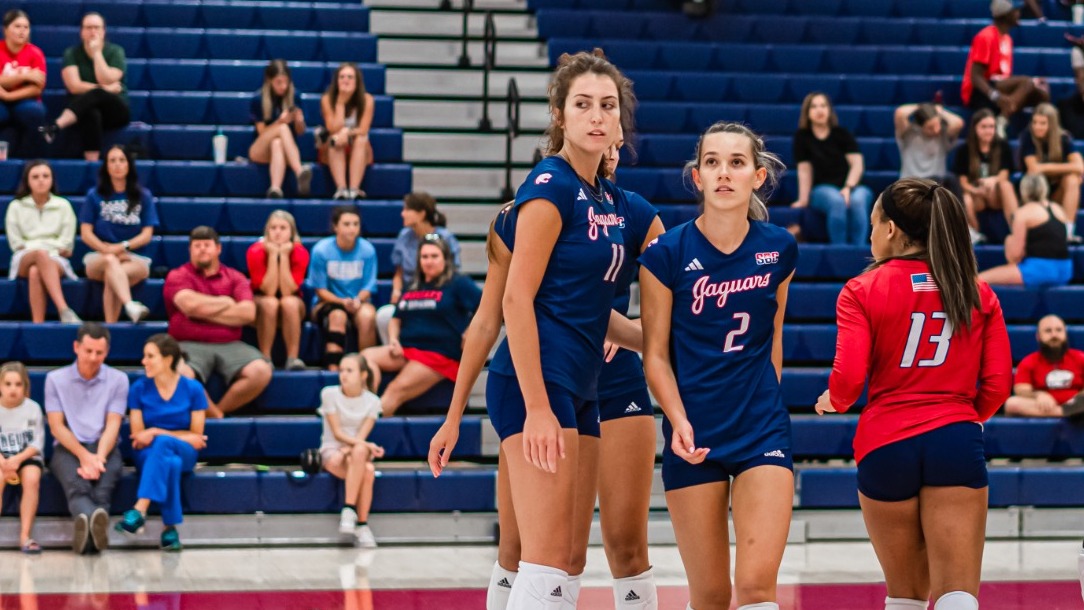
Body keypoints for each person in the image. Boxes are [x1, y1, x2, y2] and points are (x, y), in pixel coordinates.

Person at [479, 49, 633, 609]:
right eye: (583, 104)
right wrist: (539, 405)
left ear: (619, 121)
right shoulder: (549, 185)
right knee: (541, 562)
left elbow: (589, 309)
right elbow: (516, 299)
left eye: (608, 106)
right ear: (561, 115)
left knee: (568, 560)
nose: (597, 115)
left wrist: (661, 341)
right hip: (535, 384)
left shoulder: (605, 196)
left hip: (580, 385)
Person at [815, 178, 1013, 610]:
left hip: (885, 442)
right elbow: (998, 384)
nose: (869, 235)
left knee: (904, 595)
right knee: (957, 594)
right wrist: (962, 418)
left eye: (872, 224)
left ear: (890, 230)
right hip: (954, 438)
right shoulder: (976, 291)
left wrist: (834, 400)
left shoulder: (861, 289)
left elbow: (847, 382)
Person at [640, 122, 796, 610]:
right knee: (709, 595)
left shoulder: (779, 249)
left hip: (760, 428)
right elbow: (656, 355)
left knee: (754, 588)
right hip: (694, 432)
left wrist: (764, 404)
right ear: (697, 177)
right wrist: (678, 420)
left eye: (736, 162)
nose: (723, 173)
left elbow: (774, 341)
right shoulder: (665, 255)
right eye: (712, 162)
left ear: (757, 176)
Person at [361, 235, 480, 416]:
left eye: (434, 256)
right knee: (364, 358)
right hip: (407, 349)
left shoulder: (458, 283)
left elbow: (486, 306)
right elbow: (396, 318)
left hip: (439, 355)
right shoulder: (413, 285)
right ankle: (365, 407)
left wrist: (470, 331)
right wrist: (393, 340)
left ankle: (366, 436)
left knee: (395, 389)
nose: (429, 261)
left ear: (445, 259)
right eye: (424, 257)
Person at [164, 226, 272, 418]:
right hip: (187, 344)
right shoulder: (178, 275)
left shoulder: (235, 277)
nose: (202, 249)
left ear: (218, 249)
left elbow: (247, 313)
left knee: (261, 371)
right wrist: (226, 302)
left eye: (207, 245)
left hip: (230, 344)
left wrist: (200, 311)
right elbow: (189, 305)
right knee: (179, 373)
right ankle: (213, 413)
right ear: (190, 250)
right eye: (197, 246)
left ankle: (217, 412)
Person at [115, 334, 207, 551]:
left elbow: (197, 437)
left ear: (167, 359)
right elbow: (138, 436)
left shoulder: (193, 389)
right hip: (147, 452)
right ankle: (170, 530)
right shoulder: (139, 388)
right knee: (170, 463)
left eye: (150, 356)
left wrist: (156, 431)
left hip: (185, 452)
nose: (143, 361)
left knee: (165, 444)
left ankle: (140, 509)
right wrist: (172, 435)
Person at [44, 323, 128, 554]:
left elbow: (113, 423)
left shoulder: (119, 379)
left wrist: (98, 458)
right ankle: (93, 526)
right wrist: (84, 456)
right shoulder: (55, 379)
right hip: (68, 446)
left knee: (102, 491)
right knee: (78, 488)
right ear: (76, 347)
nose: (93, 357)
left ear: (107, 352)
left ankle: (88, 532)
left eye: (99, 353)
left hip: (105, 447)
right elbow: (56, 426)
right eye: (88, 351)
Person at [79, 144, 156, 323]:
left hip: (134, 258)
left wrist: (122, 247)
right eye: (112, 160)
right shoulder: (94, 195)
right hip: (99, 255)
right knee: (110, 262)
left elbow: (147, 234)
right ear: (106, 166)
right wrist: (109, 251)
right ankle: (130, 304)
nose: (117, 164)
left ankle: (110, 327)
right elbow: (85, 233)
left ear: (129, 164)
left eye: (122, 160)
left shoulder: (143, 196)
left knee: (112, 273)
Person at [39, 13, 130, 161]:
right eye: (88, 28)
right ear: (81, 32)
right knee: (92, 112)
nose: (93, 32)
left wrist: (97, 54)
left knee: (98, 95)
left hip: (116, 110)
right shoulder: (72, 53)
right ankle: (92, 163)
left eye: (97, 28)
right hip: (82, 110)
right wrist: (105, 89)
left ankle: (55, 126)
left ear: (104, 31)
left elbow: (105, 78)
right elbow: (74, 86)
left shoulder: (116, 51)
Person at [375, 192, 461, 346]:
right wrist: (396, 291)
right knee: (384, 315)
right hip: (409, 296)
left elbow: (452, 274)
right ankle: (395, 351)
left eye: (407, 209)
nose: (402, 213)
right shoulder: (404, 236)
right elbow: (399, 273)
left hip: (436, 295)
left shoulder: (445, 238)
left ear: (421, 214)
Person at [318, 352, 384, 548]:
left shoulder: (373, 401)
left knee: (362, 456)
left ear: (364, 375)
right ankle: (362, 525)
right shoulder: (329, 394)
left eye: (349, 370)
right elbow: (337, 433)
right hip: (332, 451)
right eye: (341, 370)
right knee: (368, 469)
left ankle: (349, 512)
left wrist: (348, 451)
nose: (343, 375)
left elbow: (360, 439)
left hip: (354, 452)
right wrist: (359, 447)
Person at [790, 91, 874, 245]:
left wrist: (848, 188)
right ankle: (839, 250)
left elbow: (857, 164)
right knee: (836, 201)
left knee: (858, 200)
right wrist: (803, 199)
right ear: (807, 113)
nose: (819, 110)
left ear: (829, 110)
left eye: (823, 106)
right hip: (822, 189)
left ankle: (859, 252)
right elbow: (804, 171)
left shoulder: (842, 134)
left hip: (853, 186)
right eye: (814, 107)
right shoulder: (802, 137)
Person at [5, 159, 81, 324]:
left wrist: (45, 249)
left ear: (52, 179)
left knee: (35, 271)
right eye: (36, 176)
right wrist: (44, 248)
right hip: (24, 257)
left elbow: (66, 245)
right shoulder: (16, 206)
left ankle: (37, 324)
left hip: (55, 259)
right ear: (27, 181)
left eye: (45, 176)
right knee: (39, 255)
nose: (41, 180)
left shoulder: (64, 206)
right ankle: (63, 309)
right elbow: (16, 244)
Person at [961, 0, 1049, 139]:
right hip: (980, 91)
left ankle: (1013, 122)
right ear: (1006, 14)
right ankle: (1001, 121)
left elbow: (1003, 76)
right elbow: (976, 77)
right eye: (1016, 11)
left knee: (1042, 94)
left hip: (998, 87)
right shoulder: (986, 36)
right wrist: (995, 96)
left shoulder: (1007, 38)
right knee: (1026, 82)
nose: (1019, 14)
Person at [307, 205, 379, 369]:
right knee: (338, 316)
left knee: (368, 315)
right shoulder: (321, 250)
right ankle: (334, 369)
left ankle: (364, 369)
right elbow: (320, 289)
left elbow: (369, 285)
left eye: (356, 224)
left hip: (358, 301)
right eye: (346, 224)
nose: (352, 229)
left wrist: (357, 301)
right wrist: (341, 302)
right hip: (327, 302)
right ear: (335, 226)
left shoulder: (368, 250)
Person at [978, 174, 1072, 287]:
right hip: (1065, 270)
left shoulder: (1023, 213)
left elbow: (1015, 256)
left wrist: (1009, 241)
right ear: (1045, 189)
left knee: (976, 281)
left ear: (1023, 192)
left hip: (1039, 271)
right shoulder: (1059, 209)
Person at [246, 210, 310, 370]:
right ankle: (266, 358)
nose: (277, 232)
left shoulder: (300, 252)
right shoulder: (255, 251)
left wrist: (285, 256)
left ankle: (293, 358)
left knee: (289, 302)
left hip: (292, 304)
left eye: (283, 228)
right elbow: (269, 290)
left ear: (292, 232)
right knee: (270, 303)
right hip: (261, 303)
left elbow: (288, 291)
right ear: (267, 231)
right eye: (273, 228)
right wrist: (274, 255)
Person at [952, 108, 1018, 243]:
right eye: (984, 127)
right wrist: (976, 190)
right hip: (976, 194)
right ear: (975, 128)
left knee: (1005, 185)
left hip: (995, 193)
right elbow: (963, 182)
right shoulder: (964, 150)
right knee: (966, 198)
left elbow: (1004, 174)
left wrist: (992, 181)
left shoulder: (1003, 146)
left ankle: (1017, 229)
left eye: (991, 127)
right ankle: (975, 235)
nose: (988, 131)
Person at [249, 59, 312, 199]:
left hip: (285, 151)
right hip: (259, 149)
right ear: (269, 80)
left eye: (286, 82)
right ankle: (299, 171)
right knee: (282, 128)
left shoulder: (295, 96)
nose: (283, 86)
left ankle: (275, 188)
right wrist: (280, 122)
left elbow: (301, 132)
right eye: (279, 82)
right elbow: (262, 133)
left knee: (277, 143)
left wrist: (299, 122)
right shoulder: (258, 99)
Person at [0, 361, 45, 554]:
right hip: (2, 457)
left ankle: (25, 536)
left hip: (26, 456)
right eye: (8, 384)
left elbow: (36, 443)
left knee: (32, 478)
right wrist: (3, 462)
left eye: (18, 384)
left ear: (25, 387)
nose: (13, 389)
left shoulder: (33, 408)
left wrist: (17, 460)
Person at [1020, 103, 1083, 241]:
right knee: (1071, 174)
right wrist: (1065, 167)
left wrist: (1044, 167)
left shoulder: (1064, 138)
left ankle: (1067, 233)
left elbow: (1080, 167)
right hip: (1034, 193)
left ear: (1052, 124)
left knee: (1073, 179)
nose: (1037, 127)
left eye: (1042, 123)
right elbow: (1034, 169)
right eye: (1035, 122)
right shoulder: (1027, 137)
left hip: (1056, 193)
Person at [1004, 314, 1084, 417]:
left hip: (1076, 402)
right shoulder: (1028, 361)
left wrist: (1077, 400)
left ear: (1065, 334)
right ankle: (1067, 413)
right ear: (1038, 336)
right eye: (1048, 331)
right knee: (1012, 404)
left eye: (1059, 330)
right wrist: (1039, 395)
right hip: (1043, 407)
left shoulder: (1080, 357)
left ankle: (1067, 411)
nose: (1054, 335)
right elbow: (1021, 389)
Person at [319, 63, 374, 200]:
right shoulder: (327, 99)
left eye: (350, 77)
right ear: (336, 81)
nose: (346, 80)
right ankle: (341, 189)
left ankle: (354, 189)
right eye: (342, 77)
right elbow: (332, 128)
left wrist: (346, 133)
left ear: (357, 82)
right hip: (334, 147)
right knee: (335, 139)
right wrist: (340, 103)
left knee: (361, 139)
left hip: (359, 148)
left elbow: (363, 129)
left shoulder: (367, 99)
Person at [0, 10, 46, 157]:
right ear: (5, 29)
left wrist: (8, 95)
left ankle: (28, 160)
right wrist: (25, 75)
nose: (22, 31)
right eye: (17, 26)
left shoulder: (35, 53)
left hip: (25, 100)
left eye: (26, 27)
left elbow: (37, 88)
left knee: (34, 113)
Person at [894, 102, 964, 194]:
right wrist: (921, 107)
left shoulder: (942, 135)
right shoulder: (908, 134)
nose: (936, 130)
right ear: (919, 126)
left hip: (935, 186)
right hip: (911, 185)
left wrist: (940, 112)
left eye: (937, 124)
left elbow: (958, 123)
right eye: (930, 127)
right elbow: (900, 113)